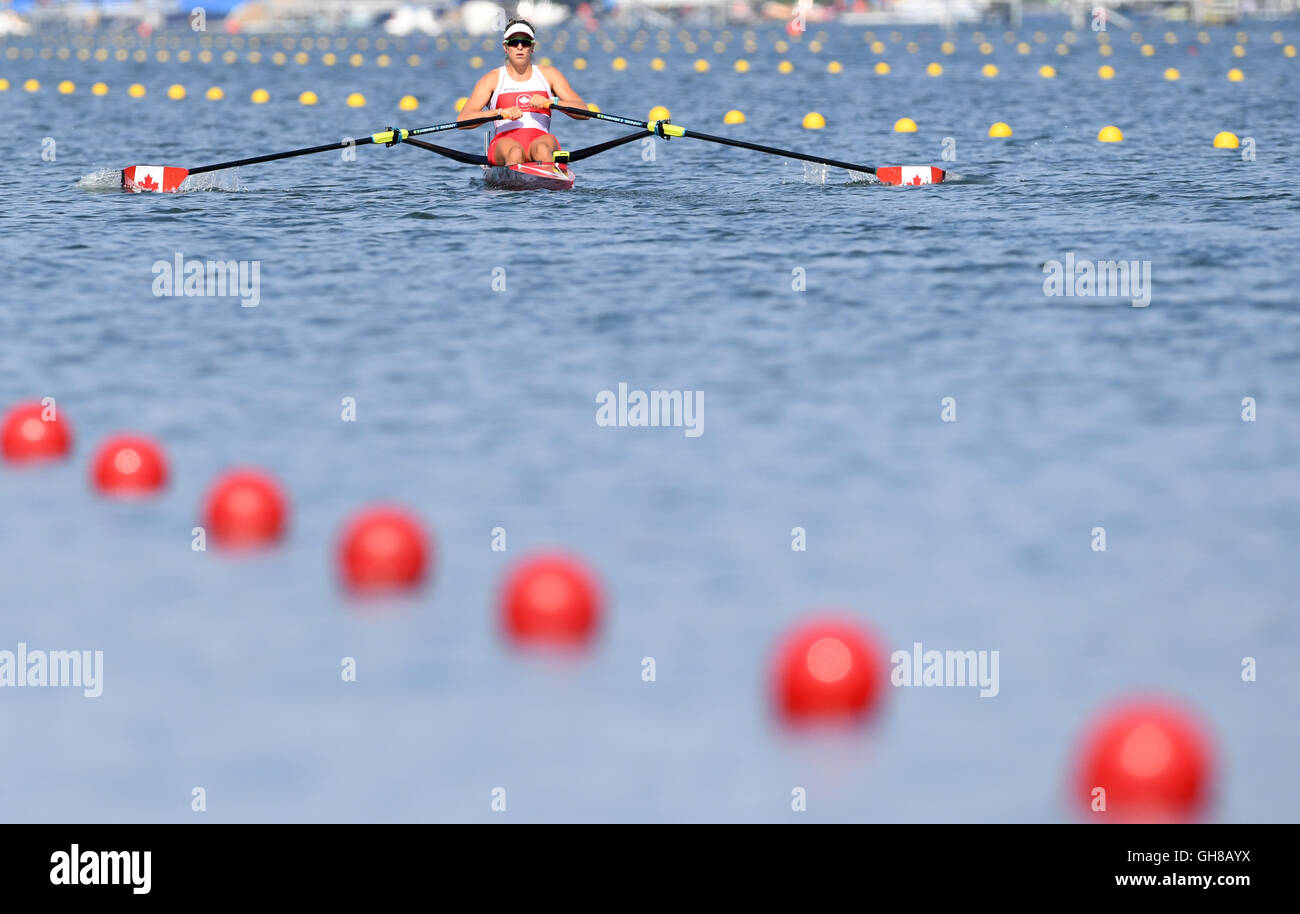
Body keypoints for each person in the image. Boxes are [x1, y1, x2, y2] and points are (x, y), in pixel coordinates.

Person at [457, 18, 588, 166]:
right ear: (505, 47)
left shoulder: (550, 75)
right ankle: (518, 183)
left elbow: (584, 112)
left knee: (543, 149)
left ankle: (548, 181)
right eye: (514, 42)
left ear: (532, 47)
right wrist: (499, 112)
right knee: (515, 153)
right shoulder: (492, 79)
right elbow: (463, 120)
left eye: (525, 42)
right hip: (504, 141)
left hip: (541, 139)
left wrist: (552, 102)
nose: (519, 47)